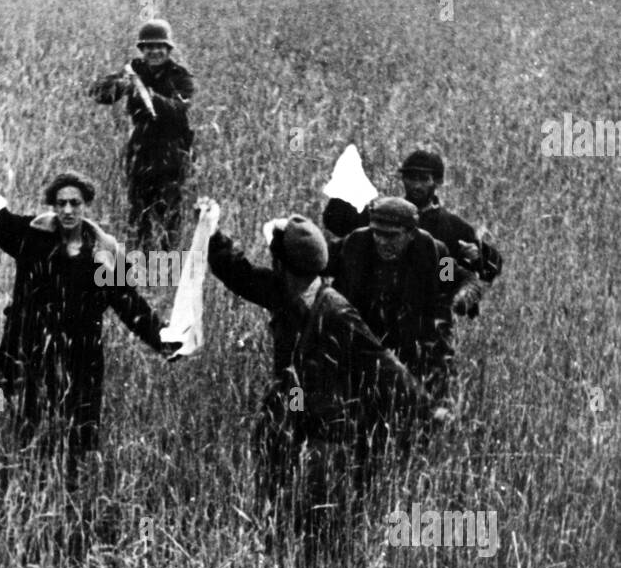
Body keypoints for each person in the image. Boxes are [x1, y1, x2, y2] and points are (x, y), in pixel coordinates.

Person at [203, 200, 439, 545]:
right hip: (288, 425)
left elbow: (386, 366)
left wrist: (429, 411)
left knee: (318, 529)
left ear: (282, 265)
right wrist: (211, 232)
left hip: (326, 440)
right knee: (279, 519)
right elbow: (239, 274)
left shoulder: (336, 312)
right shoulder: (284, 292)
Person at [0, 166, 178, 475]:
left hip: (80, 359)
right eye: (60, 203)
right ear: (53, 206)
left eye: (74, 203)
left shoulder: (104, 254)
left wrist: (163, 340)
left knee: (76, 440)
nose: (67, 210)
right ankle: (24, 487)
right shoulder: (31, 237)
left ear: (85, 205)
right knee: (26, 430)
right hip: (30, 353)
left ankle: (71, 496)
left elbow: (131, 306)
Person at [323, 148, 502, 317]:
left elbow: (483, 269)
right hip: (374, 308)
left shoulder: (453, 228)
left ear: (437, 181)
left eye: (424, 179)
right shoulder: (385, 214)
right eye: (411, 178)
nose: (416, 185)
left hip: (425, 317)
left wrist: (476, 257)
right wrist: (345, 184)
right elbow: (337, 224)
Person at [325, 196, 454, 398]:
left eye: (392, 236)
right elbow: (316, 262)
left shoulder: (439, 253)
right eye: (378, 233)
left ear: (411, 234)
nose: (382, 242)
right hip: (359, 341)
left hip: (411, 343)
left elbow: (446, 297)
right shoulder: (353, 243)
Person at [90, 19, 195, 252]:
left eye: (160, 46)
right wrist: (120, 84)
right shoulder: (134, 70)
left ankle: (166, 273)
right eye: (149, 47)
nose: (154, 51)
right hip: (141, 153)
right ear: (142, 50)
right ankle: (139, 273)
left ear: (168, 50)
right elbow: (97, 93)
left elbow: (178, 110)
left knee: (169, 217)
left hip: (172, 155)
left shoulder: (181, 76)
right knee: (138, 217)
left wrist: (147, 94)